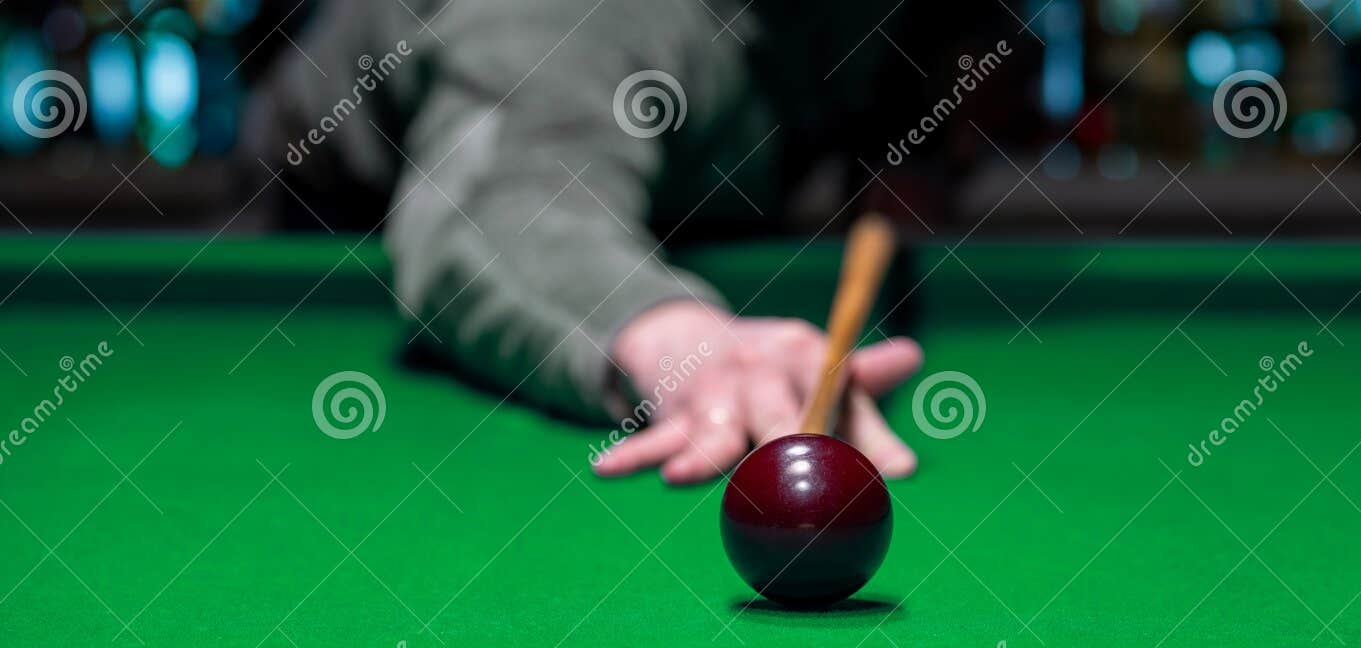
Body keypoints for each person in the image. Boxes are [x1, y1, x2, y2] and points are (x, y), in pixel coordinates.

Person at [244, 0, 926, 484]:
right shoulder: (567, 17)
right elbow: (502, 209)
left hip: (670, 199)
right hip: (327, 218)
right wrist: (677, 339)